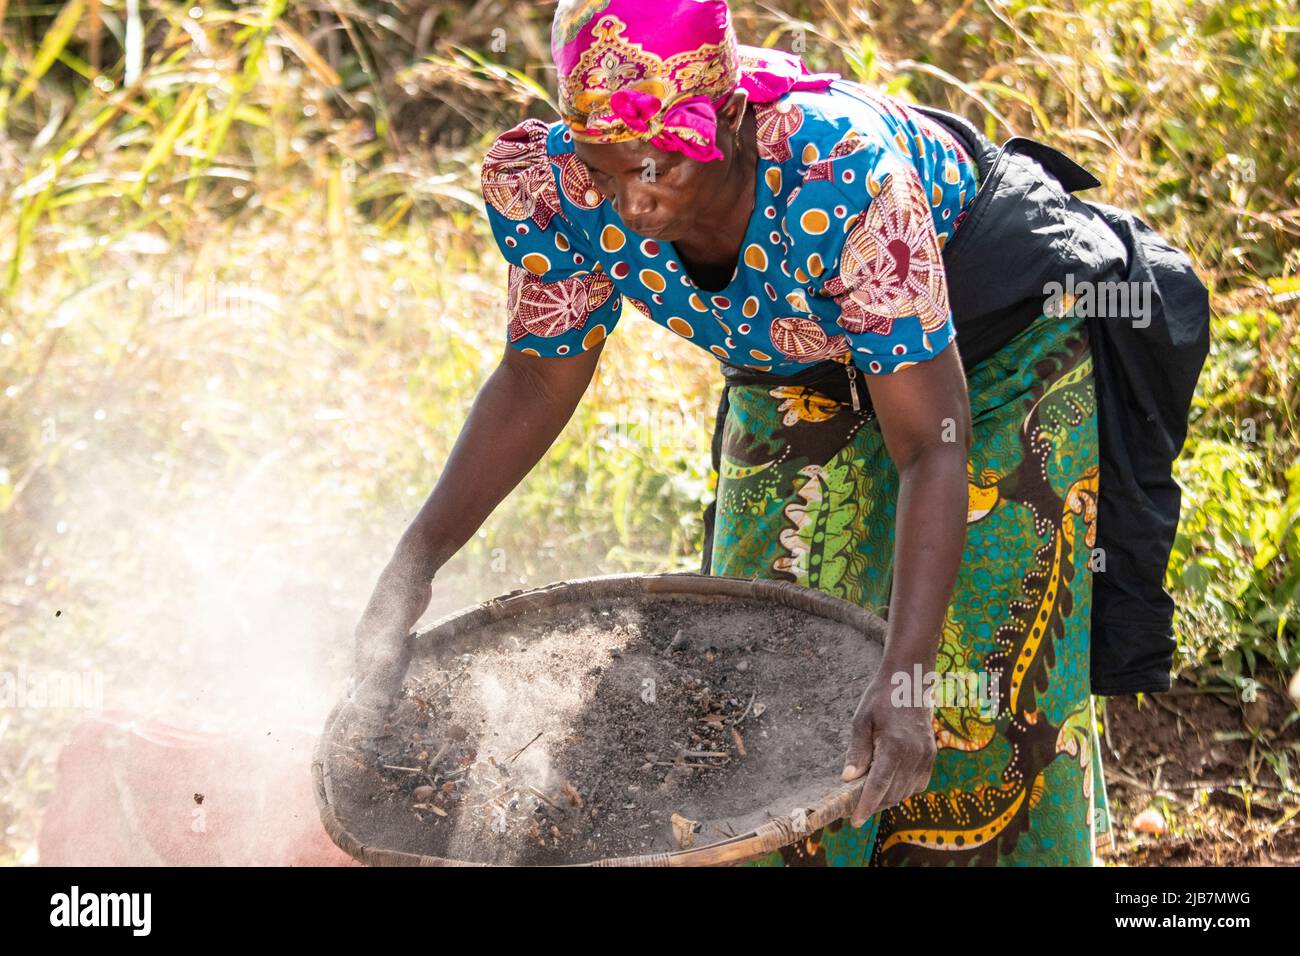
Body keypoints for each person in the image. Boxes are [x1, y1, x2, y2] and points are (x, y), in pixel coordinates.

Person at [353, 0, 1117, 865]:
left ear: (726, 122)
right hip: (797, 366)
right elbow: (536, 374)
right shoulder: (567, 191)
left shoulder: (841, 176)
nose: (631, 201)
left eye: (655, 171)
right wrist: (413, 564)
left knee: (967, 681)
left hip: (988, 352)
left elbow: (931, 445)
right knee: (756, 695)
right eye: (609, 174)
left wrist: (906, 679)